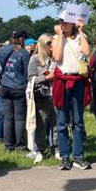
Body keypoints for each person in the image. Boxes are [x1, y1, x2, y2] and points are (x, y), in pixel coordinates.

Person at [52, 14, 92, 170]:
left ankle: (78, 156)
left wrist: (81, 32)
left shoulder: (81, 37)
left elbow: (87, 52)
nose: (62, 24)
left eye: (65, 22)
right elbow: (57, 57)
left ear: (72, 24)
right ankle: (64, 156)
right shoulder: (57, 39)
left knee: (78, 121)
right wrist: (61, 38)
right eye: (60, 22)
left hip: (78, 81)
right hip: (62, 81)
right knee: (61, 122)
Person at [0, 30, 30, 152]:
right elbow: (26, 73)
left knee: (8, 117)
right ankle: (20, 145)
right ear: (22, 39)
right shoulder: (24, 53)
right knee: (19, 118)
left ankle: (8, 146)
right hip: (19, 87)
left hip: (5, 86)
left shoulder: (3, 50)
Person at [28, 34, 56, 162]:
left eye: (52, 43)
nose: (52, 45)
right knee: (42, 124)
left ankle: (57, 149)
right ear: (43, 44)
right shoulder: (35, 59)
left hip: (56, 95)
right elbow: (31, 78)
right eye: (49, 43)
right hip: (42, 96)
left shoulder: (56, 58)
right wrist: (46, 78)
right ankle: (40, 150)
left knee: (57, 124)